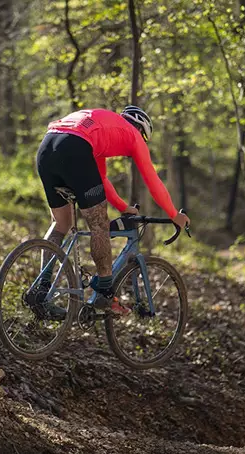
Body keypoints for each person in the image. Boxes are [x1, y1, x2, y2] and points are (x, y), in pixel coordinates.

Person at [33, 106, 190, 318]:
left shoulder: (102, 129)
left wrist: (124, 208)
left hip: (47, 146)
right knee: (99, 224)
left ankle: (41, 290)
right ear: (141, 129)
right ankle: (105, 292)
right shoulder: (133, 135)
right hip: (74, 148)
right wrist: (174, 215)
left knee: (61, 224)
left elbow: (102, 180)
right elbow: (152, 181)